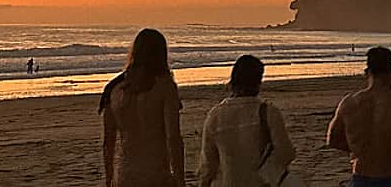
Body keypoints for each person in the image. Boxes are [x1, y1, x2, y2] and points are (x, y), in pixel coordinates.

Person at [328, 46, 391, 187]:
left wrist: (360, 150)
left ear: (367, 73)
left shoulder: (348, 104)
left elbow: (333, 139)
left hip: (360, 178)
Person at [99, 29, 185, 187]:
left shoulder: (114, 89)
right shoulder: (165, 87)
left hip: (124, 174)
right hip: (156, 173)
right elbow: (173, 137)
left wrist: (109, 177)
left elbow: (108, 142)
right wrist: (180, 178)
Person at [198, 55, 295, 187]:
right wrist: (267, 170)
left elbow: (208, 166)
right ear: (258, 81)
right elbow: (286, 153)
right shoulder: (268, 112)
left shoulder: (215, 115)